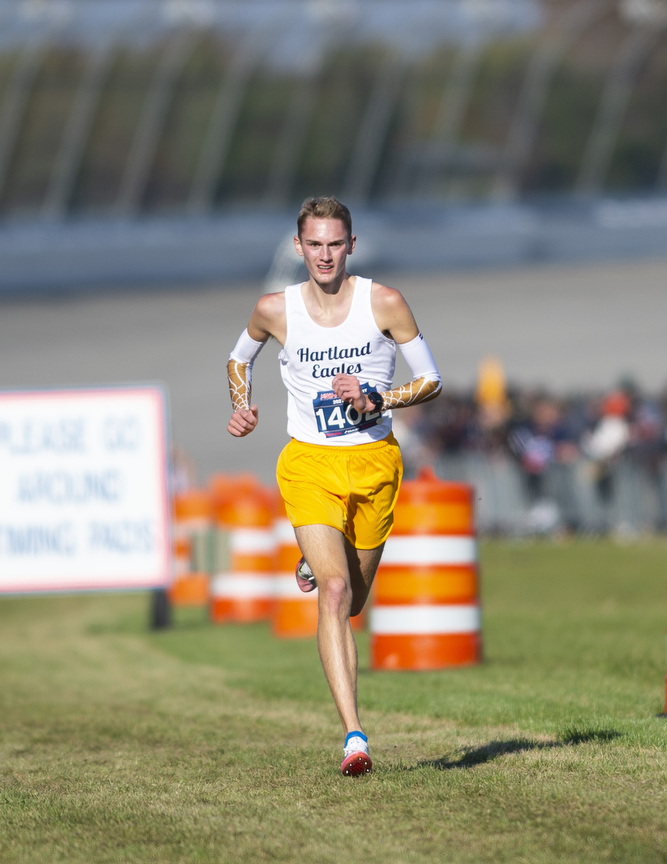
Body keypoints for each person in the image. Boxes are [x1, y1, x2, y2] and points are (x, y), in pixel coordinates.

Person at [226, 196, 442, 777]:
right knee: (336, 591)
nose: (325, 255)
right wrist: (242, 406)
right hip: (309, 464)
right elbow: (239, 359)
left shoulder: (384, 302)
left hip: (374, 464)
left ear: (352, 245)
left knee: (355, 601)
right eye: (314, 244)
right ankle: (354, 736)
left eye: (335, 244)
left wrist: (377, 399)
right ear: (299, 247)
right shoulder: (275, 309)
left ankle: (318, 558)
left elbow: (431, 379)